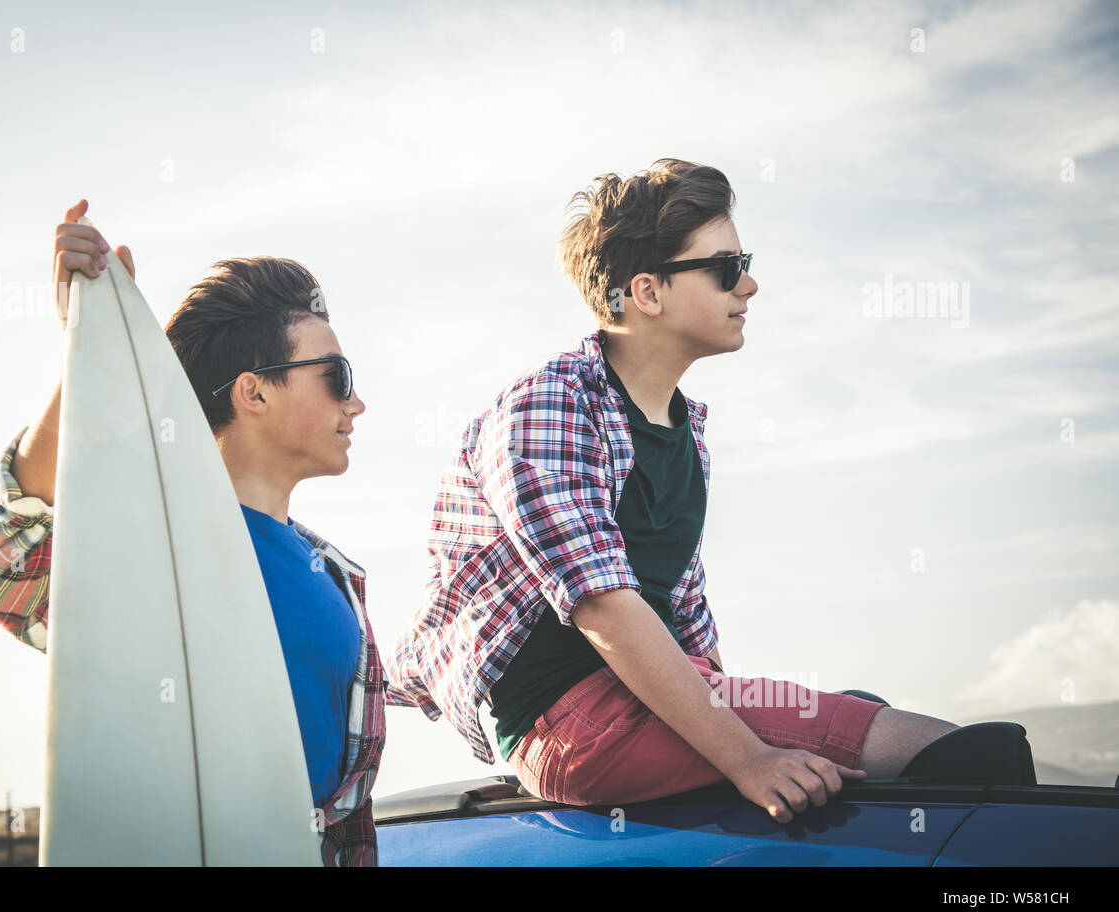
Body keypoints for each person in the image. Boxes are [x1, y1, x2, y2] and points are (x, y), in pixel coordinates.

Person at [384, 159, 960, 823]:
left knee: (865, 715)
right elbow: (602, 605)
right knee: (955, 754)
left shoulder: (687, 431)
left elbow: (687, 622)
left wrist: (760, 734)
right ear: (647, 293)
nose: (749, 285)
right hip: (571, 723)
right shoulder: (550, 404)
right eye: (726, 267)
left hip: (646, 703)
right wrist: (748, 759)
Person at [0, 199, 384, 865]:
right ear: (254, 392)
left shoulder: (337, 579)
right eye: (337, 377)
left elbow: (344, 822)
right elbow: (5, 563)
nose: (356, 403)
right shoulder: (154, 553)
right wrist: (89, 352)